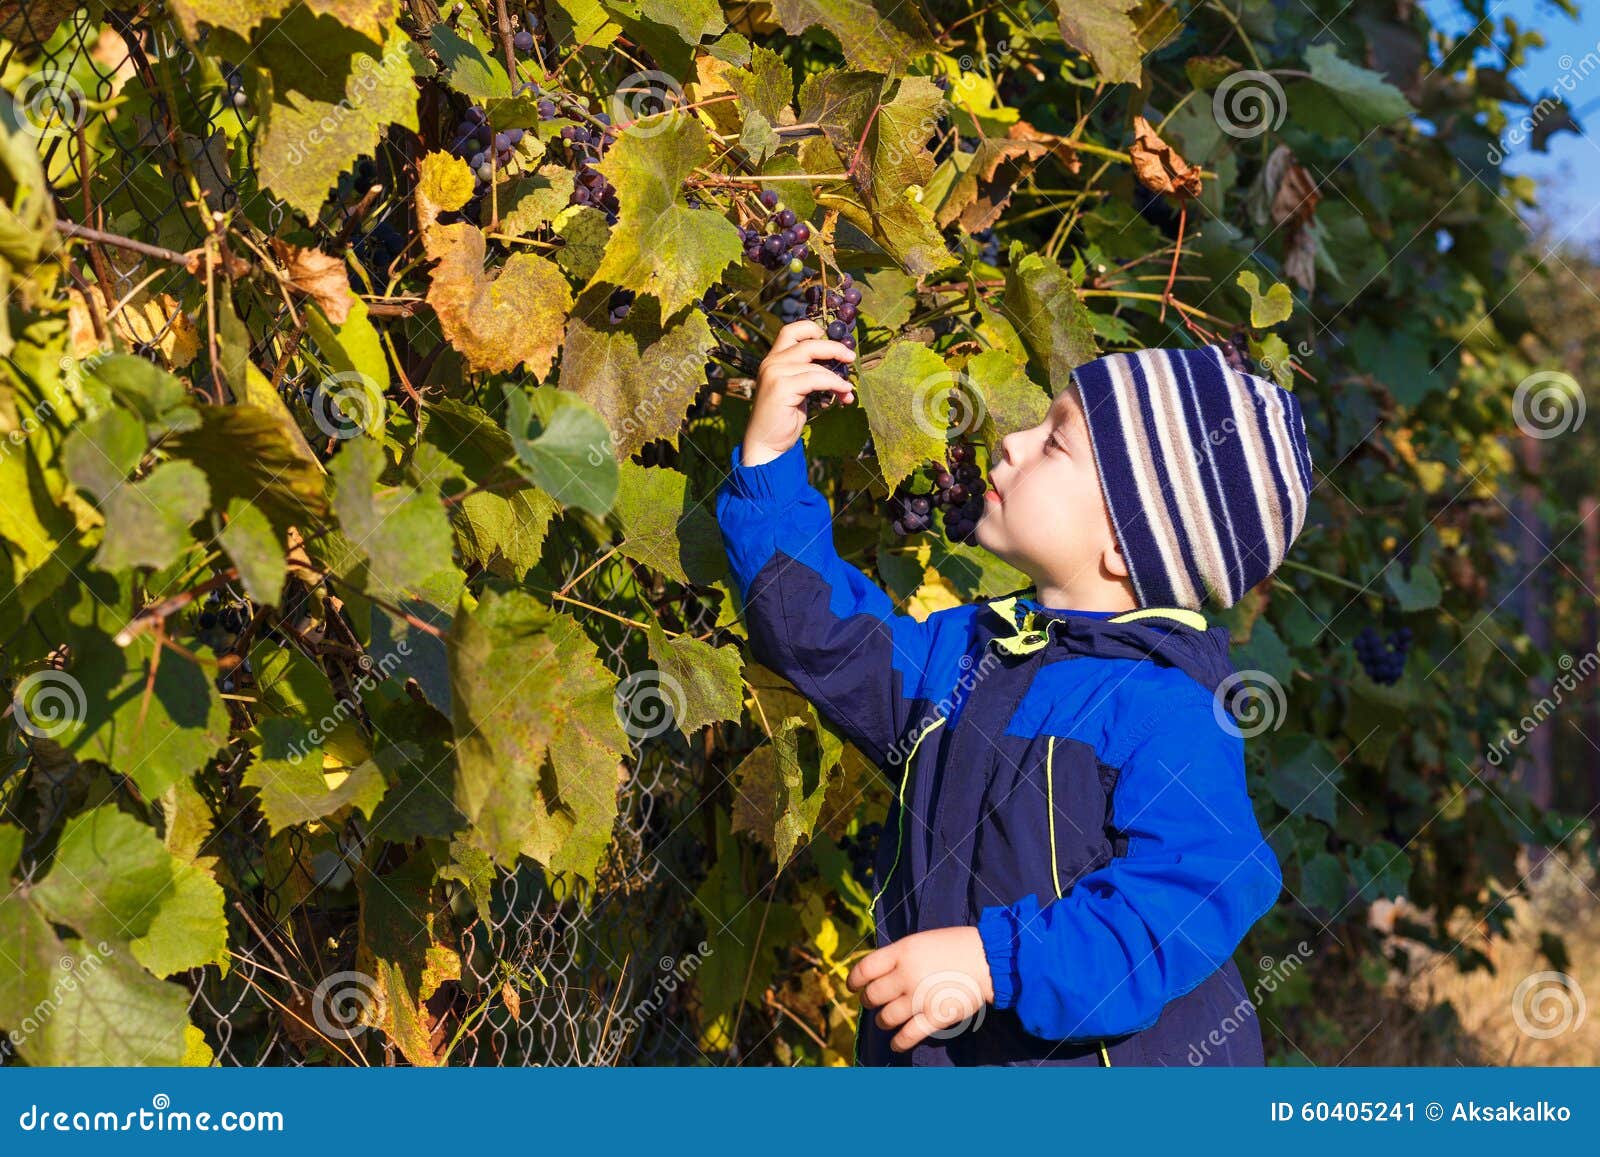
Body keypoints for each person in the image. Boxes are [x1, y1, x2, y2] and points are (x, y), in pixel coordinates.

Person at [713, 320, 1314, 1065]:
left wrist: (993, 959)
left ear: (1128, 543)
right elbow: (824, 637)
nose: (1013, 441)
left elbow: (1183, 902)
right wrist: (769, 462)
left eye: (1056, 442)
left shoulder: (1166, 712)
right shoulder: (968, 652)